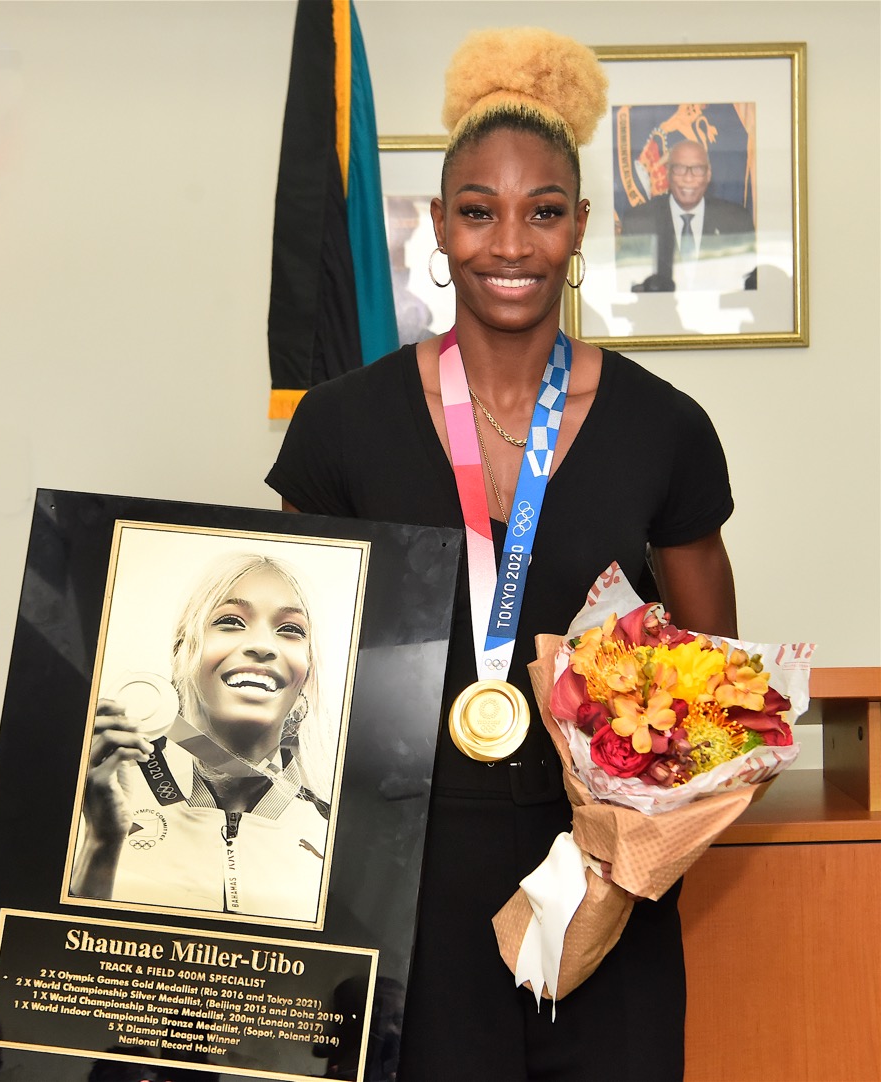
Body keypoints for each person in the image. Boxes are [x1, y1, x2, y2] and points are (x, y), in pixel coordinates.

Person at [267, 26, 737, 1081]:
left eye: (543, 212)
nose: (510, 244)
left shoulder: (664, 427)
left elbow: (716, 677)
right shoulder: (342, 426)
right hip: (405, 868)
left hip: (602, 864)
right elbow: (293, 641)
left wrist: (634, 837)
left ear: (582, 225)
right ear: (439, 225)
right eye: (478, 212)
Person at [70, 552, 333, 923]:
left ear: (307, 675)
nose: (263, 645)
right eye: (230, 621)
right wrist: (100, 842)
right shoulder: (100, 793)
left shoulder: (337, 830)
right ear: (183, 653)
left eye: (291, 629)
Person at [620, 139, 756, 292]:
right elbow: (629, 288)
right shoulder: (638, 222)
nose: (688, 178)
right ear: (667, 173)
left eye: (697, 169)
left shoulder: (736, 221)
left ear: (708, 174)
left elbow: (747, 289)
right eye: (679, 168)